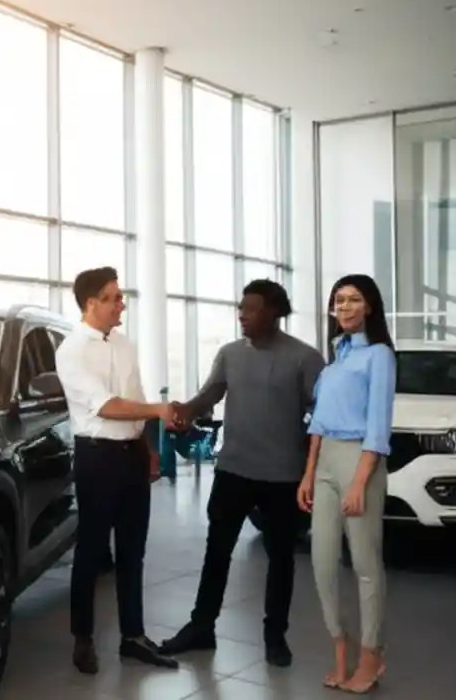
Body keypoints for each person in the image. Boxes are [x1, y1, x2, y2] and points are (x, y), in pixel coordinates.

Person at [158, 279, 325, 668]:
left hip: (284, 476)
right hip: (234, 469)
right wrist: (182, 411)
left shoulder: (305, 358)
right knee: (217, 551)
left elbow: (322, 412)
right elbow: (208, 396)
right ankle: (202, 627)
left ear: (274, 312)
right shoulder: (230, 354)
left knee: (281, 559)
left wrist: (312, 467)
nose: (242, 315)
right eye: (241, 307)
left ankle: (274, 636)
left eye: (250, 308)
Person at [54, 266, 180, 675]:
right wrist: (160, 411)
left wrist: (148, 447)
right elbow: (106, 405)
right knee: (91, 552)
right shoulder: (71, 350)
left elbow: (134, 397)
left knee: (133, 551)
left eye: (121, 296)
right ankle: (83, 639)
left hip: (130, 455)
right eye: (114, 297)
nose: (122, 303)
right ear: (92, 303)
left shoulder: (124, 344)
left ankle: (133, 637)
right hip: (96, 457)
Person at [299, 274, 395, 693]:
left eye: (354, 299)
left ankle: (372, 655)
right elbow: (318, 421)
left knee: (365, 563)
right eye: (339, 300)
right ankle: (341, 647)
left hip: (361, 461)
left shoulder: (379, 356)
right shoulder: (335, 358)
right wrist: (308, 472)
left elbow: (378, 426)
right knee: (321, 563)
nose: (345, 306)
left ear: (369, 307)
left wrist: (359, 482)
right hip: (324, 465)